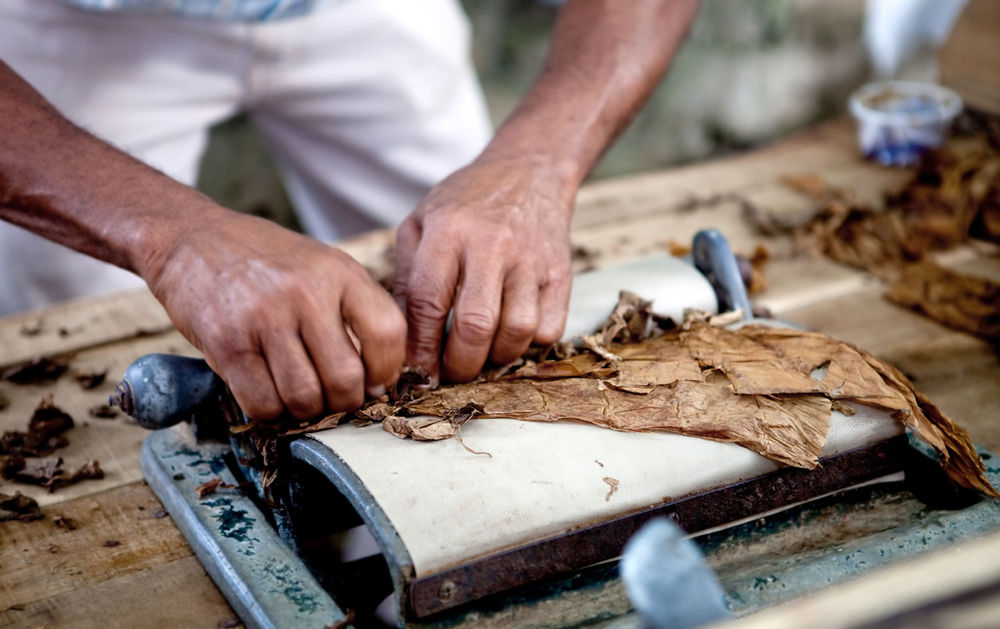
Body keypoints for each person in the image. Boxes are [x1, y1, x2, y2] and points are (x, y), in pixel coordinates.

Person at [0, 0, 701, 423]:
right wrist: (171, 241)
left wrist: (540, 166)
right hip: (80, 22)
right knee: (75, 337)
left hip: (362, 12)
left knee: (476, 280)